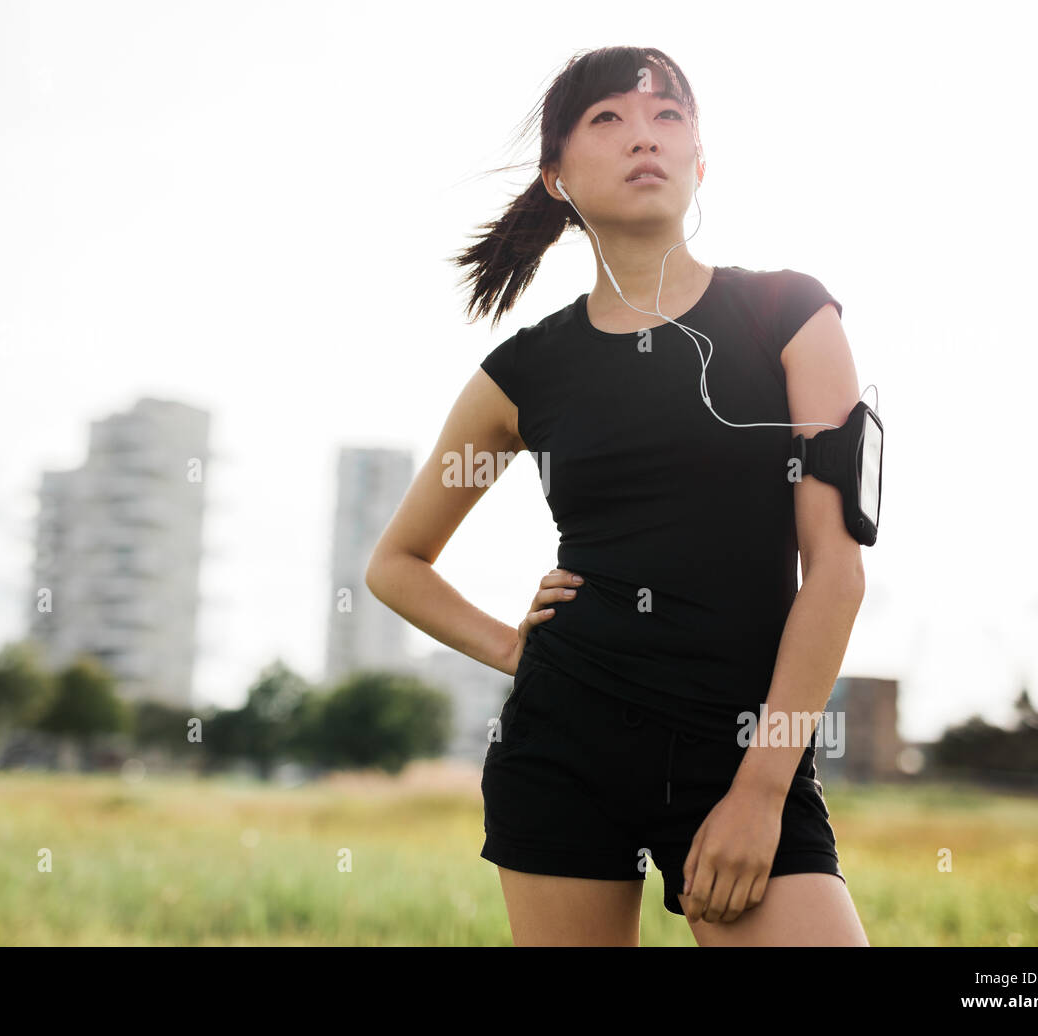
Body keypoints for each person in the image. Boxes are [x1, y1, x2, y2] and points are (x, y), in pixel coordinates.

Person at [365, 45, 870, 947]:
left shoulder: (791, 316)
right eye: (609, 118)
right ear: (556, 177)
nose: (645, 135)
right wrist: (516, 649)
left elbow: (835, 572)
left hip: (742, 745)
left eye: (668, 117)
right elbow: (397, 565)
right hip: (564, 748)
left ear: (700, 163)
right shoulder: (524, 372)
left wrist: (759, 792)